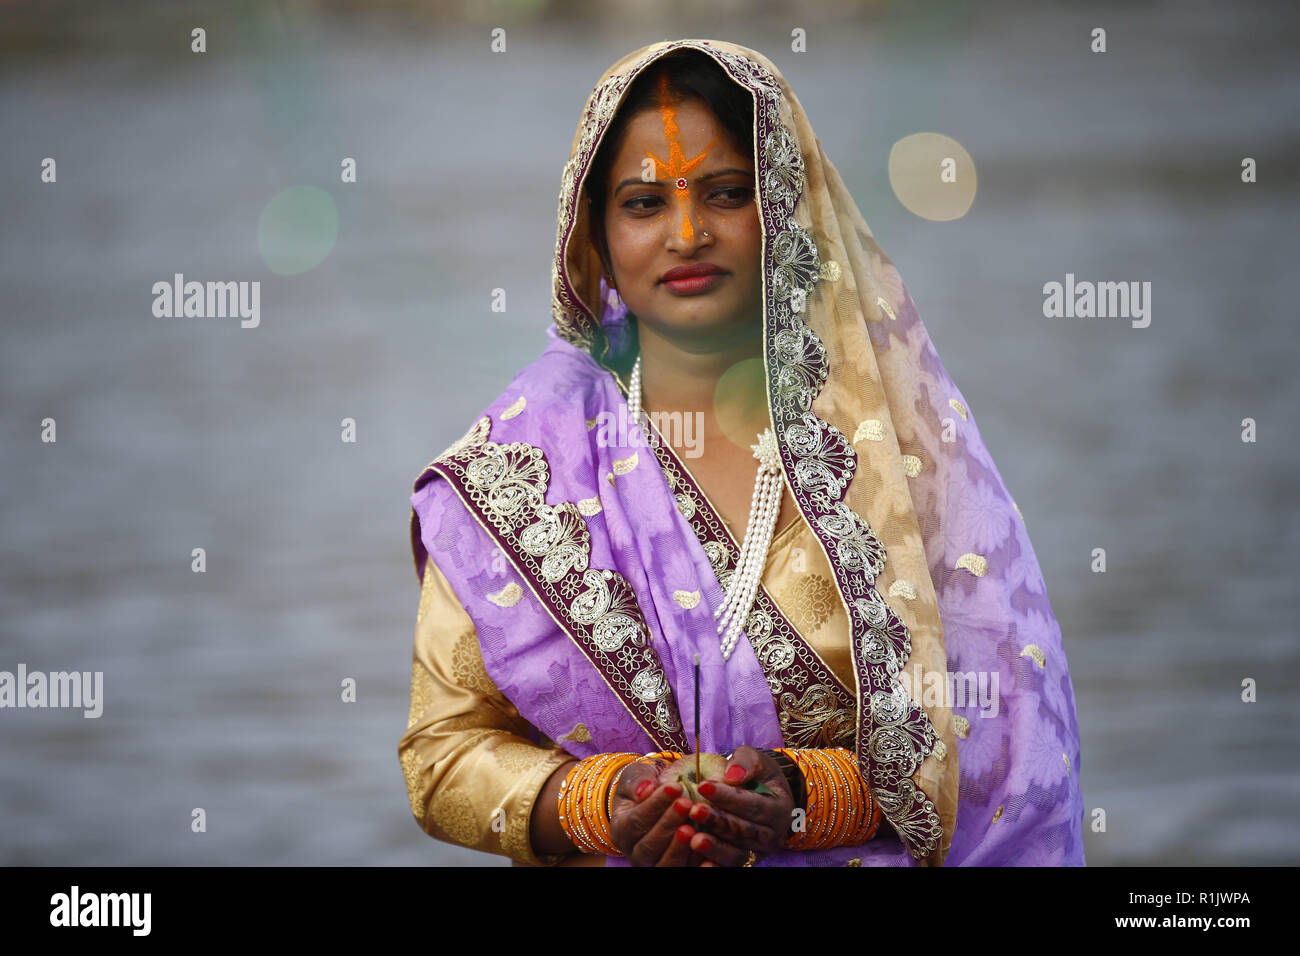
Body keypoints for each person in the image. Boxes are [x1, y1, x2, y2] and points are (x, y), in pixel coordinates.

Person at [398, 38, 1085, 867]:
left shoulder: (895, 451)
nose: (687, 234)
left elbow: (995, 739)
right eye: (644, 204)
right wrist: (599, 804)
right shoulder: (521, 465)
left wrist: (805, 799)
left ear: (787, 208)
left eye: (726, 194)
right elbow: (443, 752)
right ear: (595, 232)